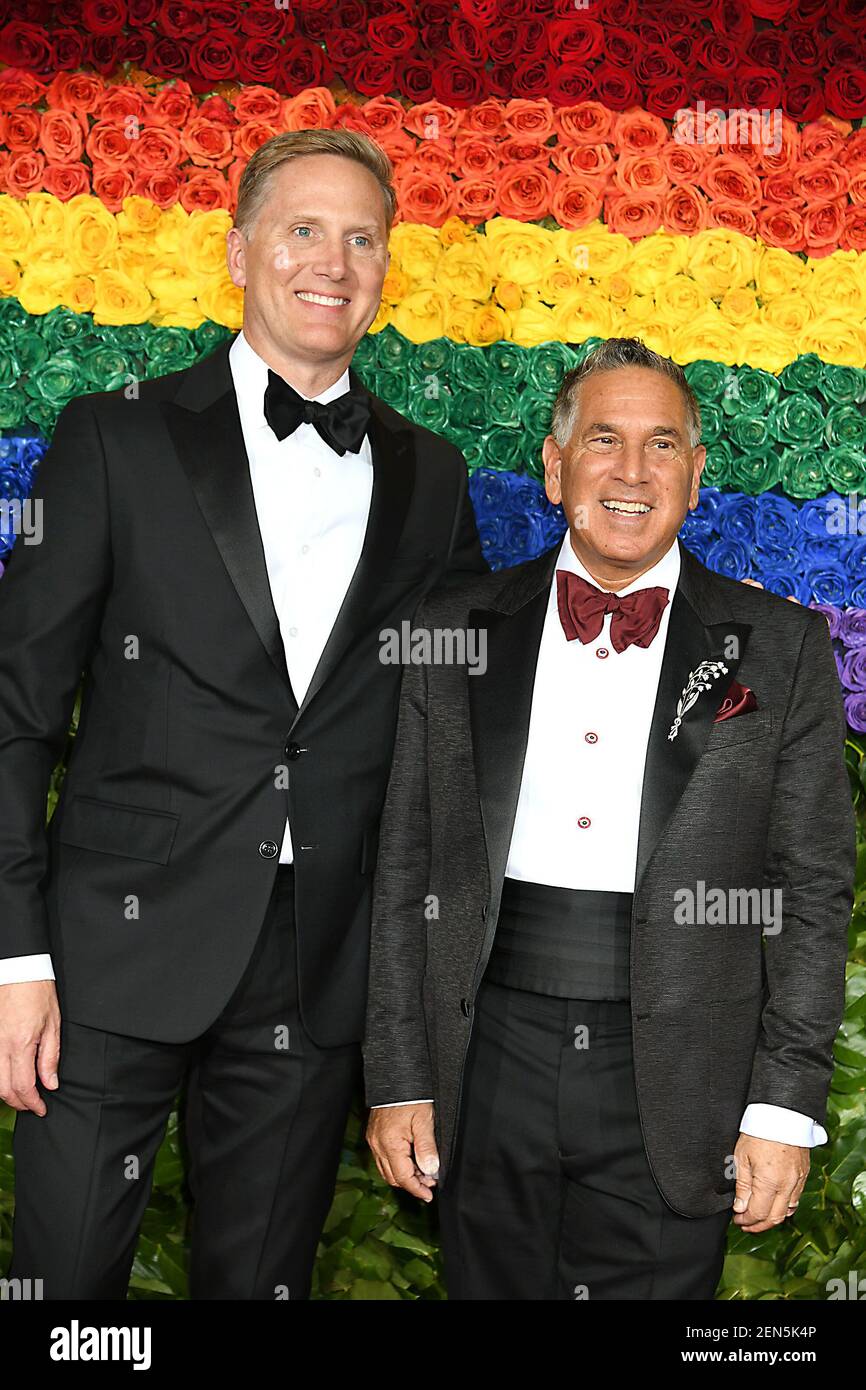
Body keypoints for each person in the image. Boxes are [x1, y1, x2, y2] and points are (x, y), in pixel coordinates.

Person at [0, 128, 484, 1300]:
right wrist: (16, 953)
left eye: (362, 237)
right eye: (303, 229)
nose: (333, 260)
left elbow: (450, 735)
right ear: (238, 252)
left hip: (315, 966)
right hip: (110, 948)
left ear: (385, 267)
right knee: (65, 1289)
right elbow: (17, 708)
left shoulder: (432, 474)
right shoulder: (114, 437)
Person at [363, 337, 855, 1300]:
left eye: (663, 445)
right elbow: (404, 870)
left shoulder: (784, 650)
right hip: (485, 1055)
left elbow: (811, 893)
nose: (632, 472)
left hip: (682, 1075)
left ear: (696, 474)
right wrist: (399, 1074)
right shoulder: (455, 631)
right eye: (603, 441)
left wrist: (785, 1105)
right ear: (555, 467)